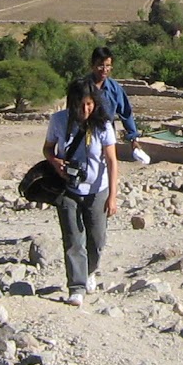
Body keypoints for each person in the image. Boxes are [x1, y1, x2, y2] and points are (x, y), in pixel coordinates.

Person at [44, 75, 120, 306]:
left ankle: (90, 271)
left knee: (97, 239)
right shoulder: (58, 121)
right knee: (73, 238)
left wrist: (113, 196)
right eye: (81, 104)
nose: (85, 109)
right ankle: (75, 286)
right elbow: (48, 149)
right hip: (67, 189)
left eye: (90, 104)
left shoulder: (103, 124)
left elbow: (112, 161)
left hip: (98, 189)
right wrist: (56, 162)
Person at [88, 45, 150, 164]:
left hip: (106, 137)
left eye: (108, 66)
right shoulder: (82, 87)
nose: (104, 69)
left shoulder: (114, 89)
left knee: (106, 170)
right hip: (85, 136)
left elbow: (126, 113)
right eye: (100, 65)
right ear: (92, 65)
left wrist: (133, 139)